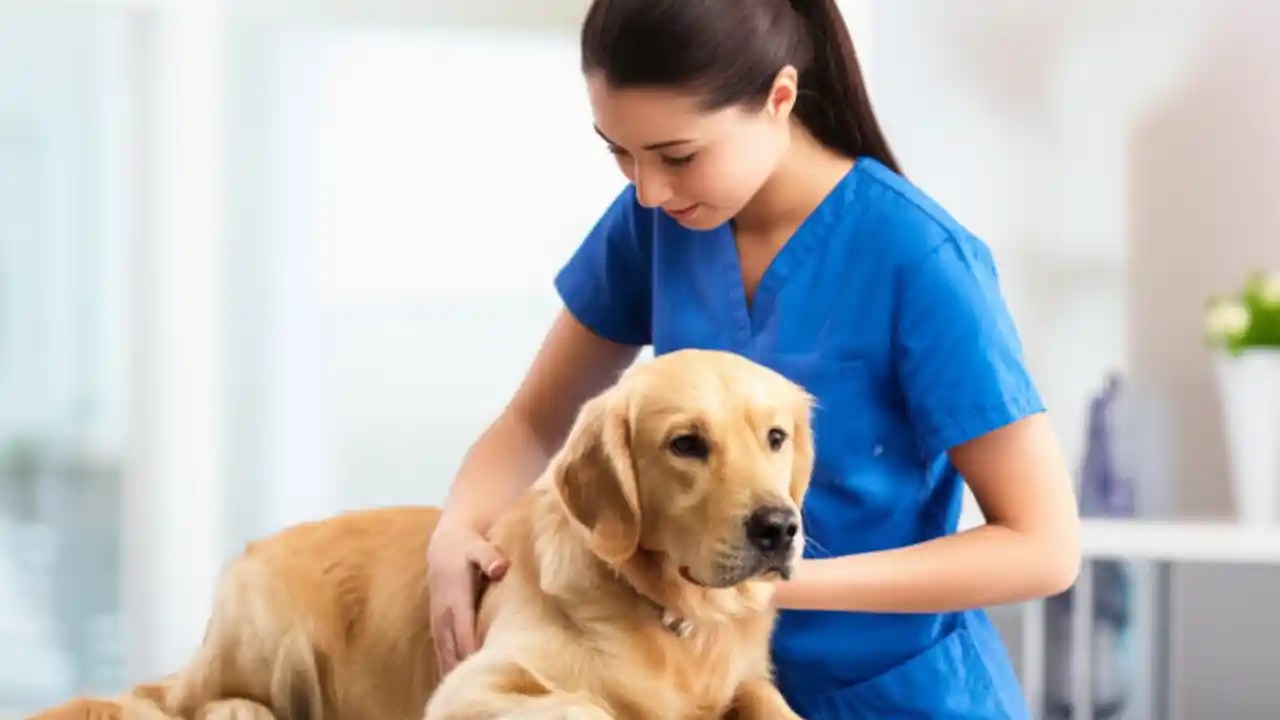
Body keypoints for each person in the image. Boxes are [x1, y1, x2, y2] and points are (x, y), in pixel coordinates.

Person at [425, 0, 1082, 716]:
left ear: (779, 97)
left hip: (900, 695)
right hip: (720, 688)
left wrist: (768, 579)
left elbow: (1042, 546)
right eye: (619, 152)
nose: (647, 188)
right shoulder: (658, 222)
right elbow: (535, 420)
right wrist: (458, 524)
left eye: (677, 155)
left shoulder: (920, 261)